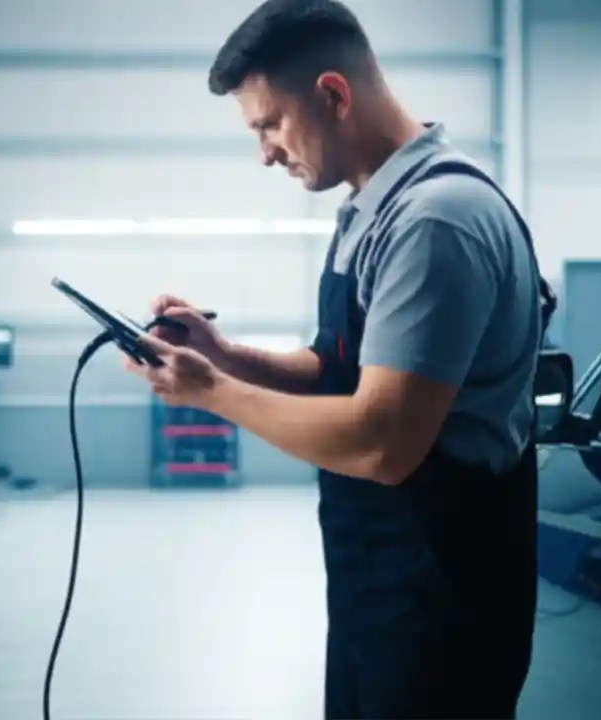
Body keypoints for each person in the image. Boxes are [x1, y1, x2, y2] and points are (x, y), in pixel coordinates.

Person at [123, 0, 554, 717]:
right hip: (382, 591)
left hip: (441, 604)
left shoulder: (436, 221)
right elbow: (339, 369)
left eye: (268, 124)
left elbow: (383, 443)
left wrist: (211, 393)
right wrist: (223, 355)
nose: (263, 151)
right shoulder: (371, 210)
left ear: (332, 94)